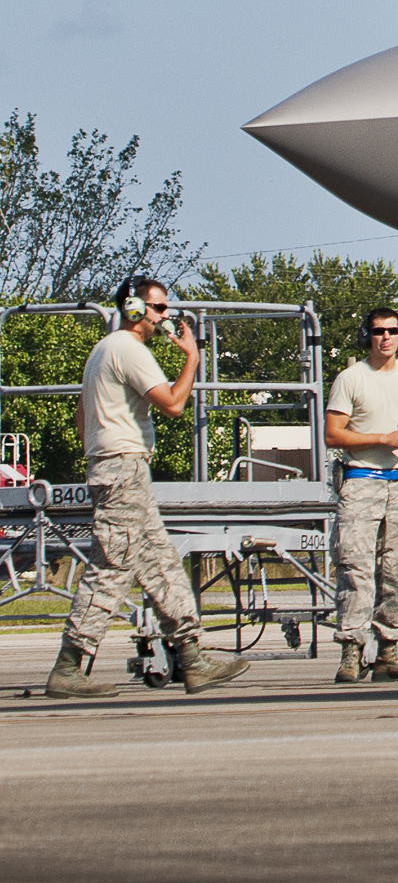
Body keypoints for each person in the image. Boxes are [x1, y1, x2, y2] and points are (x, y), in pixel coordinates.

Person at [45, 278, 247, 699]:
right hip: (122, 468)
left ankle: (192, 660)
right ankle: (68, 666)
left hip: (118, 468)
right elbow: (173, 404)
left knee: (159, 562)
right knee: (112, 567)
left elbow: (83, 418)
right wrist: (191, 359)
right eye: (156, 309)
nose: (162, 317)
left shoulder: (102, 350)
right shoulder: (127, 349)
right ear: (132, 307)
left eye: (163, 309)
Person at [325, 305, 398, 684]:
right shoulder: (351, 378)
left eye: (391, 330)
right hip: (361, 481)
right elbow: (333, 434)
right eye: (377, 331)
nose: (385, 337)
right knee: (356, 568)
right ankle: (351, 653)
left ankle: (388, 652)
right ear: (366, 335)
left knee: (397, 570)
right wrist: (381, 437)